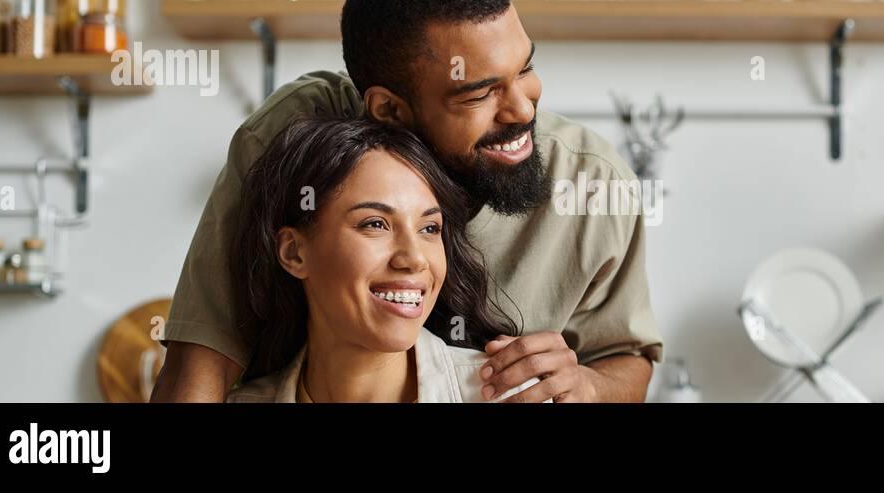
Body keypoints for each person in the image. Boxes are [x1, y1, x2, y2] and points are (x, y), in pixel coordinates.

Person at [154, 0, 663, 403]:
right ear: (389, 110)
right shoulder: (297, 135)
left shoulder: (591, 182)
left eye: (525, 69)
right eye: (478, 94)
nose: (523, 108)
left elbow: (625, 357)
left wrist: (590, 388)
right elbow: (205, 354)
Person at [226, 117, 539, 403]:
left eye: (429, 228)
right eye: (375, 224)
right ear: (294, 252)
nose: (414, 259)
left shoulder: (514, 395)